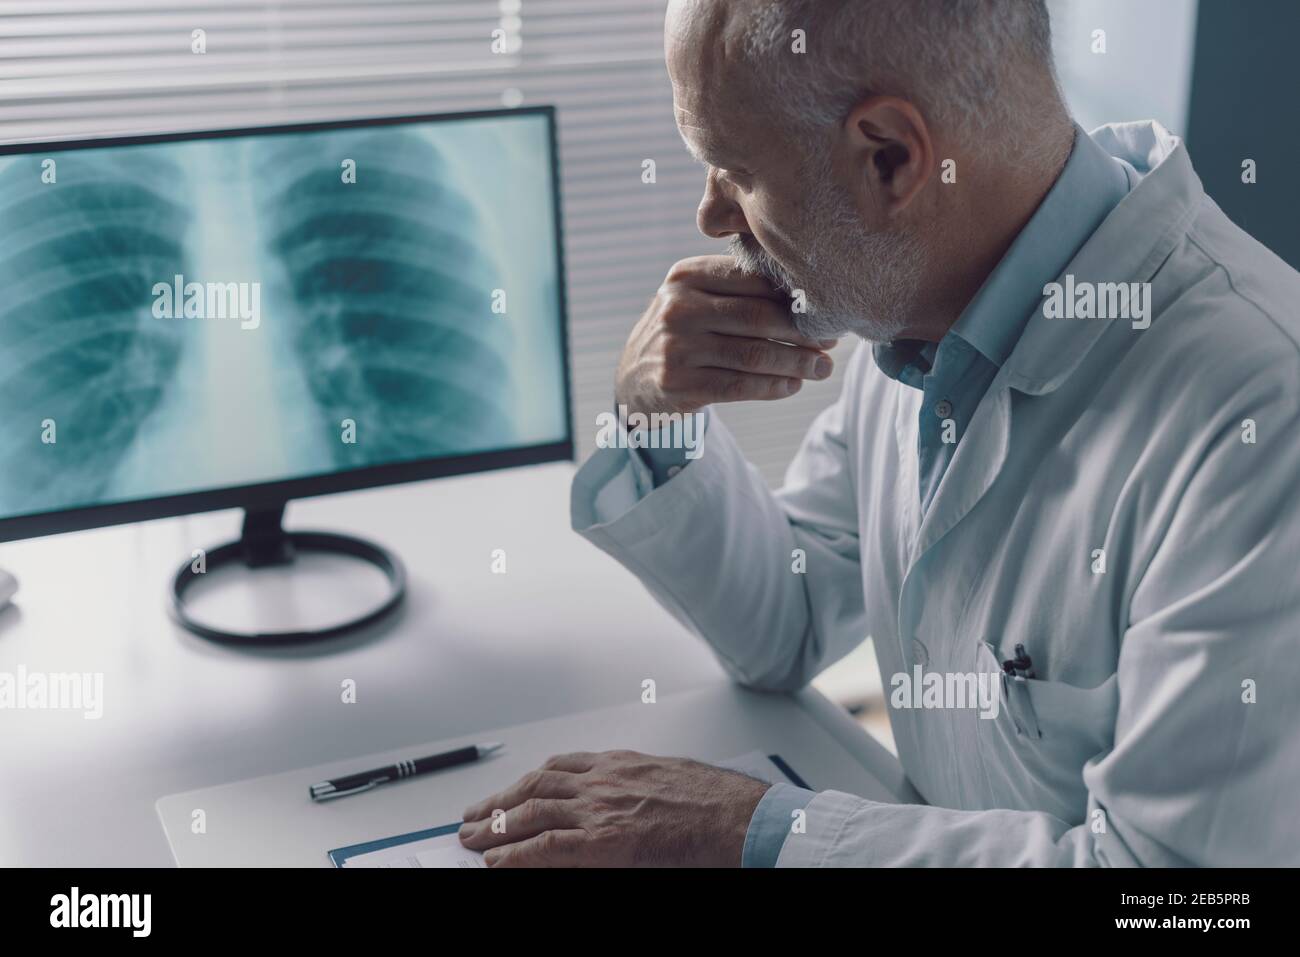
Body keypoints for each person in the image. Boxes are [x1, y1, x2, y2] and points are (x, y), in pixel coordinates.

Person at [458, 0, 1300, 866]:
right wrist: (653, 416)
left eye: (733, 169)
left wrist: (749, 831)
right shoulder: (922, 309)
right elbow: (783, 621)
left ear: (891, 158)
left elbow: (1185, 900)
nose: (712, 215)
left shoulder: (1261, 423)